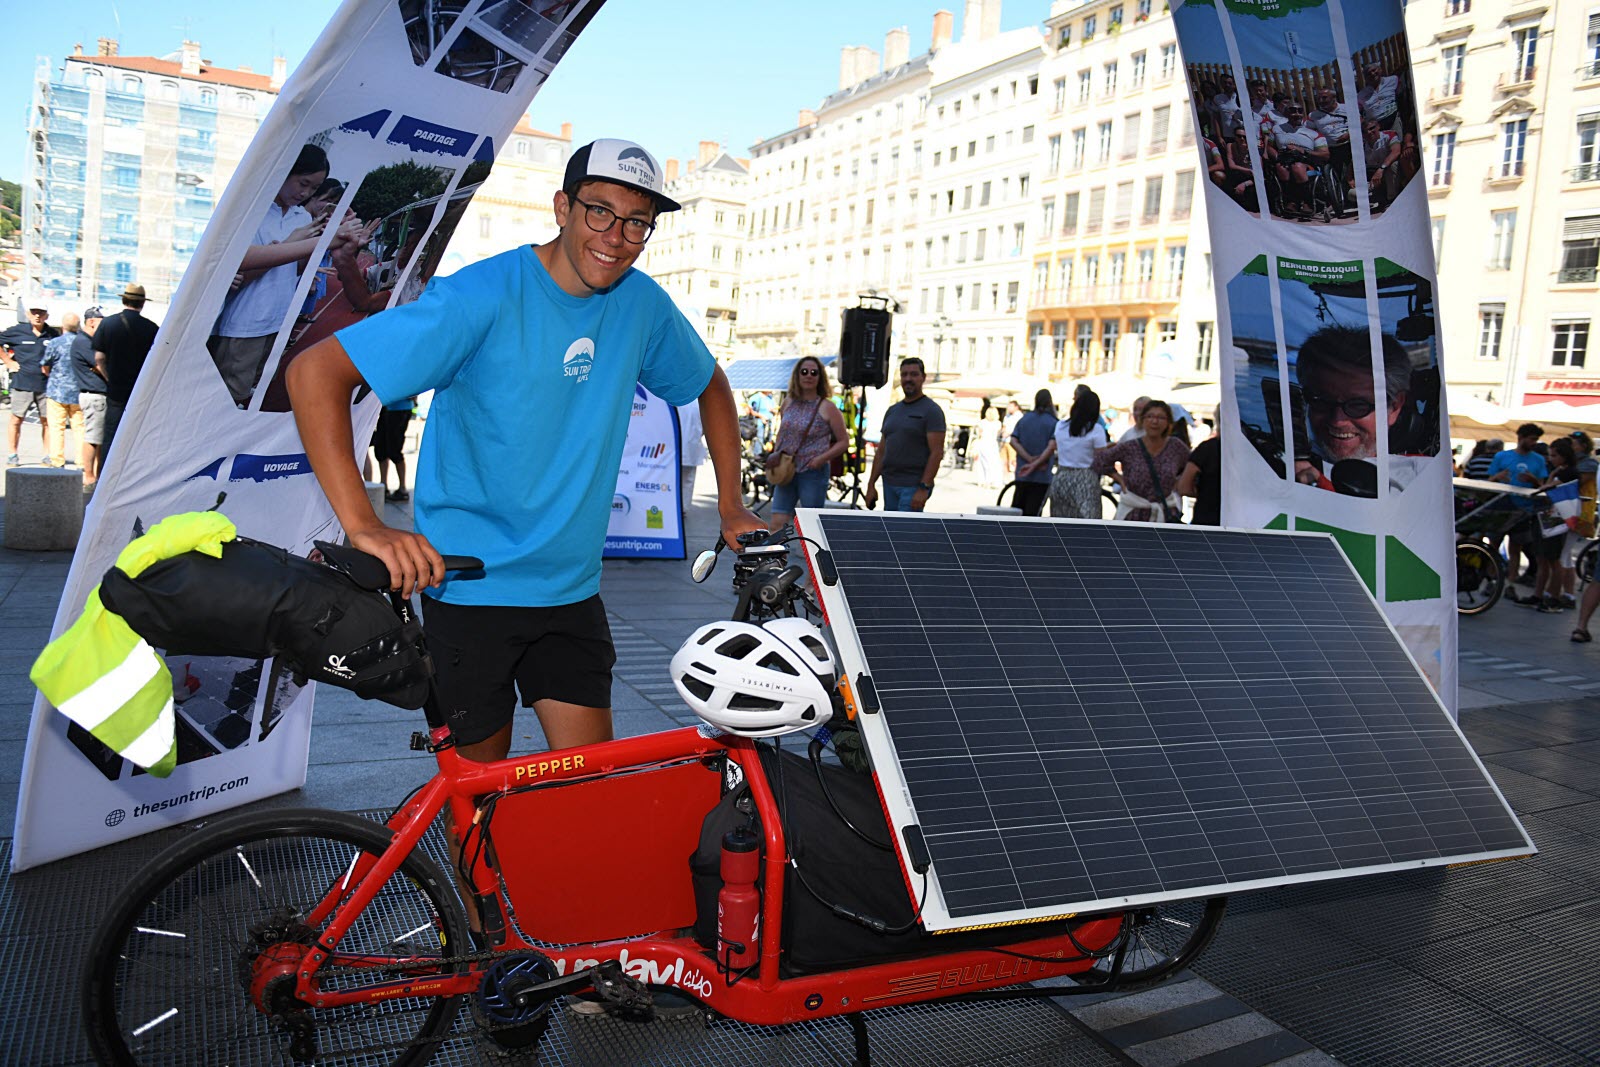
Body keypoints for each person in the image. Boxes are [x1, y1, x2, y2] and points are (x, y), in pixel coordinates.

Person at [286, 136, 764, 950]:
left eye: (637, 223)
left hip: (570, 596)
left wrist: (734, 507)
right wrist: (364, 523)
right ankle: (491, 952)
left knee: (586, 790)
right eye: (600, 213)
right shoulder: (487, 295)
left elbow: (711, 384)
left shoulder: (641, 305)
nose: (615, 237)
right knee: (483, 799)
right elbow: (314, 372)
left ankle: (578, 947)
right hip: (471, 594)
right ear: (564, 207)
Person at [209, 145, 361, 407]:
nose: (305, 193)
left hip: (278, 319)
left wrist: (308, 260)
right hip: (246, 322)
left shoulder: (300, 215)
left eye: (313, 189)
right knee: (229, 396)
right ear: (286, 171)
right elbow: (241, 275)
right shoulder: (253, 212)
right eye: (303, 183)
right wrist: (291, 244)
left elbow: (294, 267)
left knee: (254, 390)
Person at [1292, 325, 1412, 493]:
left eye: (1358, 405)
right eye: (1321, 401)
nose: (1337, 421)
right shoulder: (1275, 466)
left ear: (1394, 407)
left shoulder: (1421, 478)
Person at [766, 354, 847, 532]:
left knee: (810, 525)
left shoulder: (827, 407)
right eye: (804, 372)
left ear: (820, 378)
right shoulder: (788, 402)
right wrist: (776, 452)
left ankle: (811, 559)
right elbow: (782, 432)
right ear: (797, 376)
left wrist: (821, 459)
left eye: (814, 372)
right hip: (786, 469)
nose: (809, 376)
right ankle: (777, 558)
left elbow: (843, 442)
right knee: (777, 521)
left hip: (813, 471)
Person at [863, 357, 946, 512]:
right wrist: (871, 484)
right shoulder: (892, 411)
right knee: (891, 532)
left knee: (903, 533)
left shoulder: (932, 411)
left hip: (913, 486)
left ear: (923, 377)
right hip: (889, 484)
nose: (908, 379)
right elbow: (881, 451)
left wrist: (924, 487)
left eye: (914, 374)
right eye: (904, 374)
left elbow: (937, 452)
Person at [93, 283, 161, 464]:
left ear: (123, 299)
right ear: (142, 303)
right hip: (141, 391)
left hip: (115, 388)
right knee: (138, 436)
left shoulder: (107, 323)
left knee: (110, 435)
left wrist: (109, 378)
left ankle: (104, 479)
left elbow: (99, 358)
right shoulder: (151, 328)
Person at [1092, 399, 1189, 522]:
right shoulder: (1130, 446)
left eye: (1161, 418)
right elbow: (1099, 461)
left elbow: (1193, 465)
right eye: (1150, 416)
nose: (1155, 421)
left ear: (1168, 422)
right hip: (1133, 513)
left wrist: (1180, 482)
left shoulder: (1176, 446)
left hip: (1165, 514)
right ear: (1143, 420)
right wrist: (1120, 480)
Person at [1025, 387, 1108, 519]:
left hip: (1061, 477)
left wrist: (1034, 464)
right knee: (1089, 524)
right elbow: (1102, 460)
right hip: (1086, 478)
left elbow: (1052, 446)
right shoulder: (1096, 430)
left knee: (1061, 523)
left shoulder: (1061, 426)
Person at [1488, 423, 1549, 591]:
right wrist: (1498, 477)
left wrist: (1533, 480)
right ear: (1520, 438)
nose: (1534, 442)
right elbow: (1489, 481)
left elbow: (1542, 486)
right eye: (1531, 439)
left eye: (1536, 439)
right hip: (1502, 505)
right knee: (1494, 543)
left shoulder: (1538, 459)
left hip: (1524, 509)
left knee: (1516, 546)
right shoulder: (1502, 456)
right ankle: (1490, 578)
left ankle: (1511, 582)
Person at [1519, 436, 1577, 613]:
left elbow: (1548, 487)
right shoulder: (1560, 470)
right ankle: (1539, 594)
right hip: (1548, 516)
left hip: (1556, 517)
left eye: (1554, 455)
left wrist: (1544, 479)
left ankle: (1554, 597)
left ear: (1564, 456)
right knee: (1543, 559)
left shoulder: (1569, 472)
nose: (1551, 459)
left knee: (1553, 560)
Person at [1, 301, 58, 465]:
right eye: (34, 312)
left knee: (47, 421)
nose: (37, 315)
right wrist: (7, 361)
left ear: (47, 315)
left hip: (45, 385)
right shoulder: (17, 331)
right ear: (28, 314)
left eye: (41, 312)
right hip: (22, 384)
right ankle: (12, 454)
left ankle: (47, 454)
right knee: (16, 420)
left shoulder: (52, 334)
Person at [1270, 104, 1330, 217]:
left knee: (1297, 167)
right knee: (1281, 168)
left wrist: (1303, 151)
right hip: (1285, 159)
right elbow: (1269, 147)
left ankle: (1307, 202)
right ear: (1286, 114)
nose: (1296, 114)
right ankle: (1291, 202)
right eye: (1293, 111)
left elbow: (1325, 155)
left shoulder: (1313, 133)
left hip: (1307, 161)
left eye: (1299, 111)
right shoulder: (1276, 129)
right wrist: (1277, 156)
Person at [39, 312, 83, 468]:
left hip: (57, 391)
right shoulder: (83, 343)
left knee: (56, 427)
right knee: (80, 429)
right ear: (78, 326)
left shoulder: (55, 343)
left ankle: (57, 460)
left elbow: (45, 364)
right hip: (79, 392)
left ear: (62, 326)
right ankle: (82, 461)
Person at [1006, 389, 1057, 517]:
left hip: (1022, 472)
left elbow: (1013, 440)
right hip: (1042, 474)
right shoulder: (1053, 422)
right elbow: (1052, 446)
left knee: (1017, 511)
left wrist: (1028, 458)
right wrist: (1036, 462)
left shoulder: (1025, 419)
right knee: (1033, 515)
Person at [71, 307, 107, 485]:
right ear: (91, 321)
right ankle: (89, 476)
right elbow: (99, 363)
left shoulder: (87, 341)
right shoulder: (84, 342)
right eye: (101, 321)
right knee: (93, 438)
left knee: (98, 438)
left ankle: (97, 474)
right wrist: (111, 378)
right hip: (93, 395)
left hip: (96, 395)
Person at [371, 395, 415, 502]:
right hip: (385, 407)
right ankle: (383, 485)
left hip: (400, 408)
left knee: (394, 450)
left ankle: (403, 488)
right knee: (380, 449)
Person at [1176, 424, 1223, 526]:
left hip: (1206, 519)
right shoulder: (1253, 451)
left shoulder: (1207, 448)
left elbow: (1184, 488)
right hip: (1243, 521)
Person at [1361, 118, 1403, 209]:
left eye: (1372, 128)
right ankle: (1378, 198)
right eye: (1365, 131)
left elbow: (1396, 151)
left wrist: (1381, 169)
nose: (1369, 132)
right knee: (1352, 194)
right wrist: (1350, 178)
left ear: (1378, 126)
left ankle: (1392, 200)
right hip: (1372, 175)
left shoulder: (1390, 135)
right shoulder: (1362, 144)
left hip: (1387, 170)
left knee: (1393, 166)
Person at [1358, 62, 1402, 132]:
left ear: (1380, 70)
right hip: (1376, 129)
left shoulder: (1393, 80)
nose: (1372, 74)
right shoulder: (1361, 95)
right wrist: (1364, 123)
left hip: (1393, 121)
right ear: (1365, 78)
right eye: (1368, 74)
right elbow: (1356, 112)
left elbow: (1402, 96)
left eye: (1374, 70)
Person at [972, 407, 1003, 488]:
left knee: (981, 463)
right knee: (992, 463)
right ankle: (989, 481)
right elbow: (998, 434)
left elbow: (979, 433)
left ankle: (981, 480)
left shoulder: (982, 422)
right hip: (992, 443)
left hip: (983, 442)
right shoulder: (998, 423)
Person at [1001, 398, 1023, 478]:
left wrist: (1009, 433)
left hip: (1013, 441)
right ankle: (1005, 478)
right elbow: (1004, 426)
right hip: (1005, 441)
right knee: (1004, 460)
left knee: (1013, 460)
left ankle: (1013, 477)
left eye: (1011, 406)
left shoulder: (1019, 416)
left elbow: (1018, 429)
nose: (1009, 408)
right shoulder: (1007, 416)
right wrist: (1003, 432)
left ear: (1016, 407)